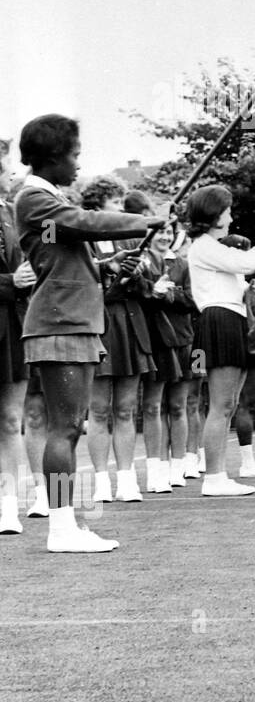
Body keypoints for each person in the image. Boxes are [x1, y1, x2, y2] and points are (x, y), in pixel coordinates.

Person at [15, 115, 163, 551]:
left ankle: (67, 525)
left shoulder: (50, 199)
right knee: (65, 427)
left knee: (73, 426)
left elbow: (60, 263)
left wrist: (106, 266)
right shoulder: (36, 200)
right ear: (53, 156)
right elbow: (82, 222)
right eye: (75, 154)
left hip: (70, 321)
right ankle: (61, 530)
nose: (80, 163)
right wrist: (144, 222)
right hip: (58, 324)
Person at [186, 185, 255, 497]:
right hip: (219, 320)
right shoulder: (204, 246)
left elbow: (245, 273)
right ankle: (214, 477)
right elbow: (247, 262)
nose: (231, 217)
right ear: (214, 215)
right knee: (221, 405)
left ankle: (219, 475)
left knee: (229, 403)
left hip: (231, 319)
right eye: (228, 210)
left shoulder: (214, 247)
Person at [82, 175, 156, 505]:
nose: (120, 208)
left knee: (126, 409)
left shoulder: (130, 238)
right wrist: (110, 273)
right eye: (114, 202)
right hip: (99, 324)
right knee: (98, 411)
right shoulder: (82, 238)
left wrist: (138, 275)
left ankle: (126, 480)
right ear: (98, 204)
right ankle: (100, 480)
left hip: (130, 325)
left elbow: (149, 289)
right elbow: (83, 282)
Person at [129, 191, 197, 493]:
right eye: (158, 233)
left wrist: (167, 294)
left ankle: (179, 466)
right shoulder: (137, 262)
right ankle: (155, 471)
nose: (164, 237)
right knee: (152, 406)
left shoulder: (182, 263)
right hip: (152, 340)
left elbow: (193, 301)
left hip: (181, 340)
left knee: (179, 405)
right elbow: (133, 294)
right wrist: (150, 290)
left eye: (168, 232)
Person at [0, 138, 37, 535]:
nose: (12, 172)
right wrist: (11, 281)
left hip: (12, 325)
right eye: (4, 165)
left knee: (11, 420)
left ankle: (7, 508)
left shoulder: (12, 212)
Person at [222, 235, 255, 479]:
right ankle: (246, 463)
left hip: (245, 344)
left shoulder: (244, 283)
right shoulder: (238, 286)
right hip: (249, 346)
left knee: (231, 405)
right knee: (242, 404)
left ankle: (204, 459)